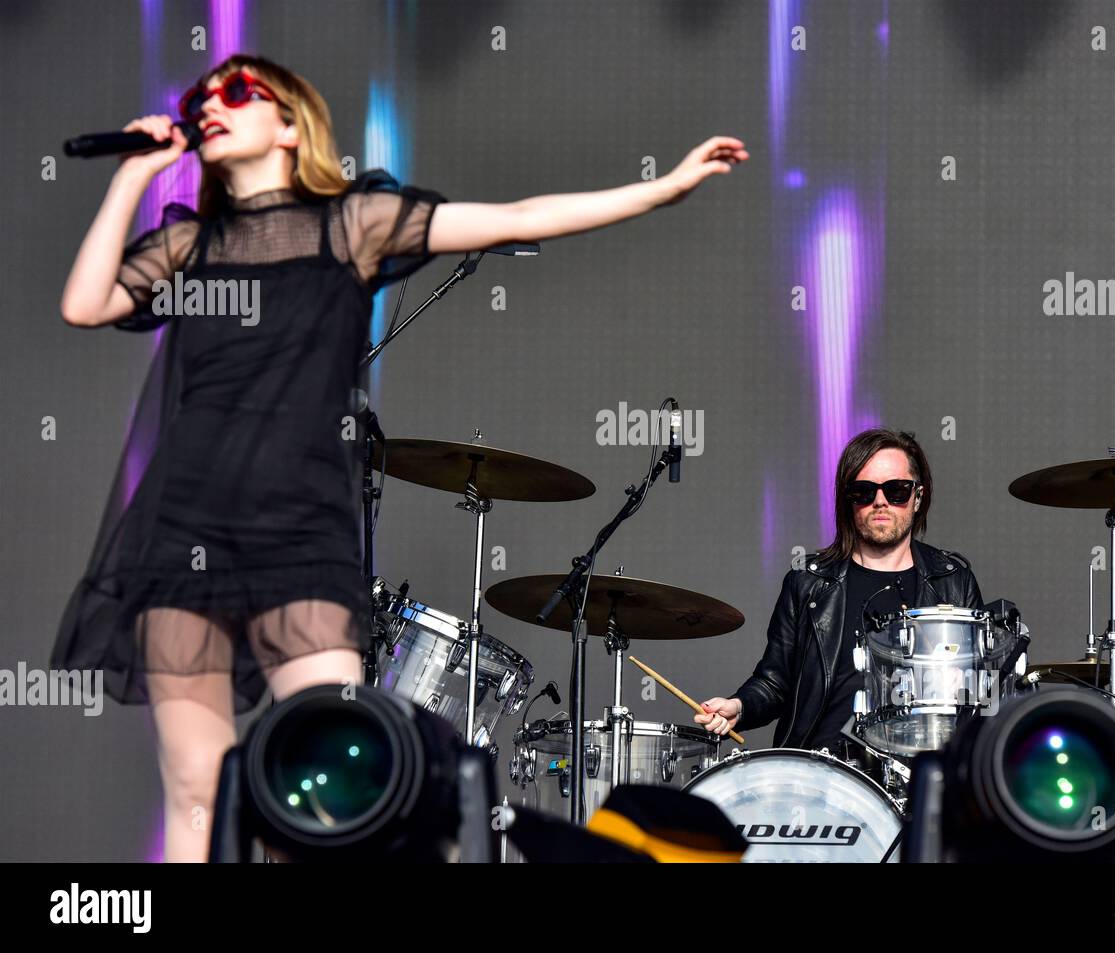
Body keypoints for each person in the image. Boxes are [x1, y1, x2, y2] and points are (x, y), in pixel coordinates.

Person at [53, 53, 747, 862]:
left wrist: (661, 188)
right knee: (197, 790)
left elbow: (518, 216)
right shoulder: (188, 244)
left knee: (332, 796)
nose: (212, 104)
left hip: (299, 537)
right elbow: (85, 302)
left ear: (289, 123)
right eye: (200, 96)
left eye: (237, 92)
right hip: (184, 532)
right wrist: (135, 174)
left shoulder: (353, 224)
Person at [695, 428, 982, 753]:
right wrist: (739, 707)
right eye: (864, 491)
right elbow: (776, 681)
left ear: (917, 497)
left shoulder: (953, 581)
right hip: (820, 773)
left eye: (896, 490)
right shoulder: (808, 582)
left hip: (916, 777)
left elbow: (979, 693)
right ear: (849, 500)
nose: (880, 502)